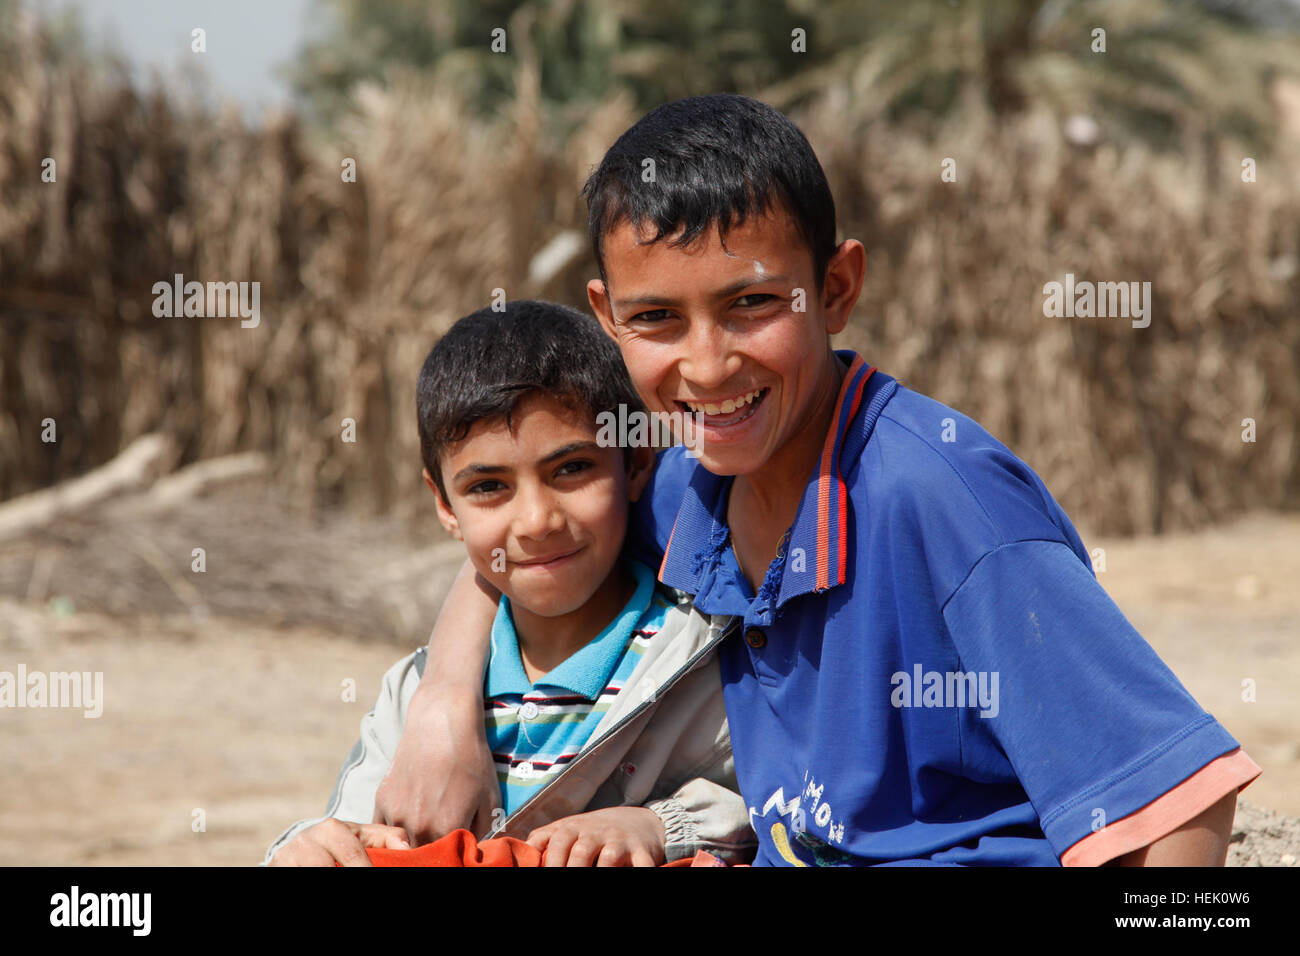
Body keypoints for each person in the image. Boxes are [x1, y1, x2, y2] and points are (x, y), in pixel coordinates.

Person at [374, 94, 1260, 866]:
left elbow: (1179, 799)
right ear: (608, 318)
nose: (708, 365)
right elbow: (532, 537)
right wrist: (445, 707)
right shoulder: (689, 491)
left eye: (751, 304)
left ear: (835, 288)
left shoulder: (939, 500)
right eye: (657, 319)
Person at [264, 300, 754, 866]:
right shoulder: (416, 691)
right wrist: (299, 847)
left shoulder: (700, 656)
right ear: (445, 506)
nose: (538, 520)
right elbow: (356, 829)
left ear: (637, 462)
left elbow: (776, 808)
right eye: (489, 486)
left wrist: (658, 823)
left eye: (571, 469)